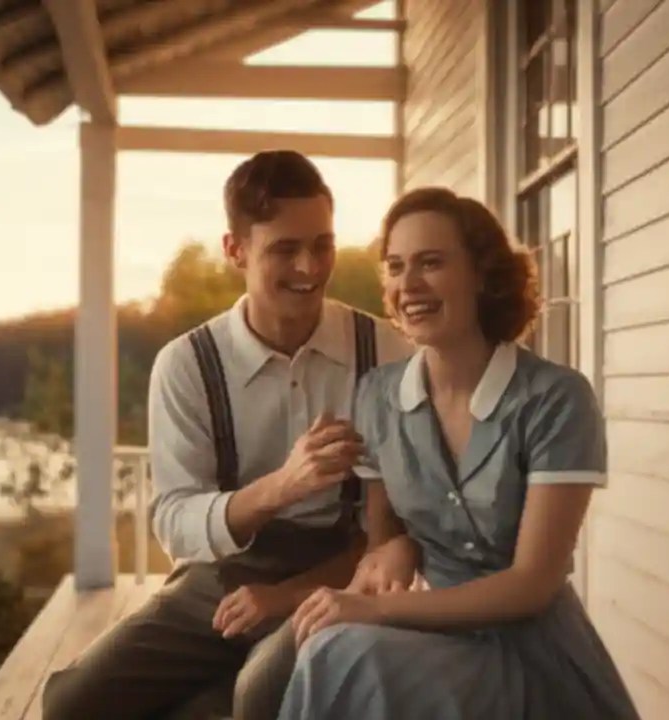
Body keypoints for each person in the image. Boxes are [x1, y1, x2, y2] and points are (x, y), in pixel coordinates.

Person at [42, 150, 411, 720]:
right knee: (71, 705)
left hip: (339, 573)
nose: (310, 268)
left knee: (253, 696)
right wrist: (281, 487)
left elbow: (392, 531)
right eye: (285, 249)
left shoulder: (385, 350)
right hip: (219, 579)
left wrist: (284, 597)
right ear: (235, 249)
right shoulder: (187, 364)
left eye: (322, 245)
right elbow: (176, 522)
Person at [276, 187, 642, 719]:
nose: (408, 284)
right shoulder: (378, 397)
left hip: (532, 654)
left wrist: (381, 609)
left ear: (482, 275)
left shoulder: (555, 399)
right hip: (434, 641)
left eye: (431, 263)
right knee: (314, 654)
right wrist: (396, 547)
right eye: (396, 267)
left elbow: (532, 584)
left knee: (347, 655)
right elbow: (383, 538)